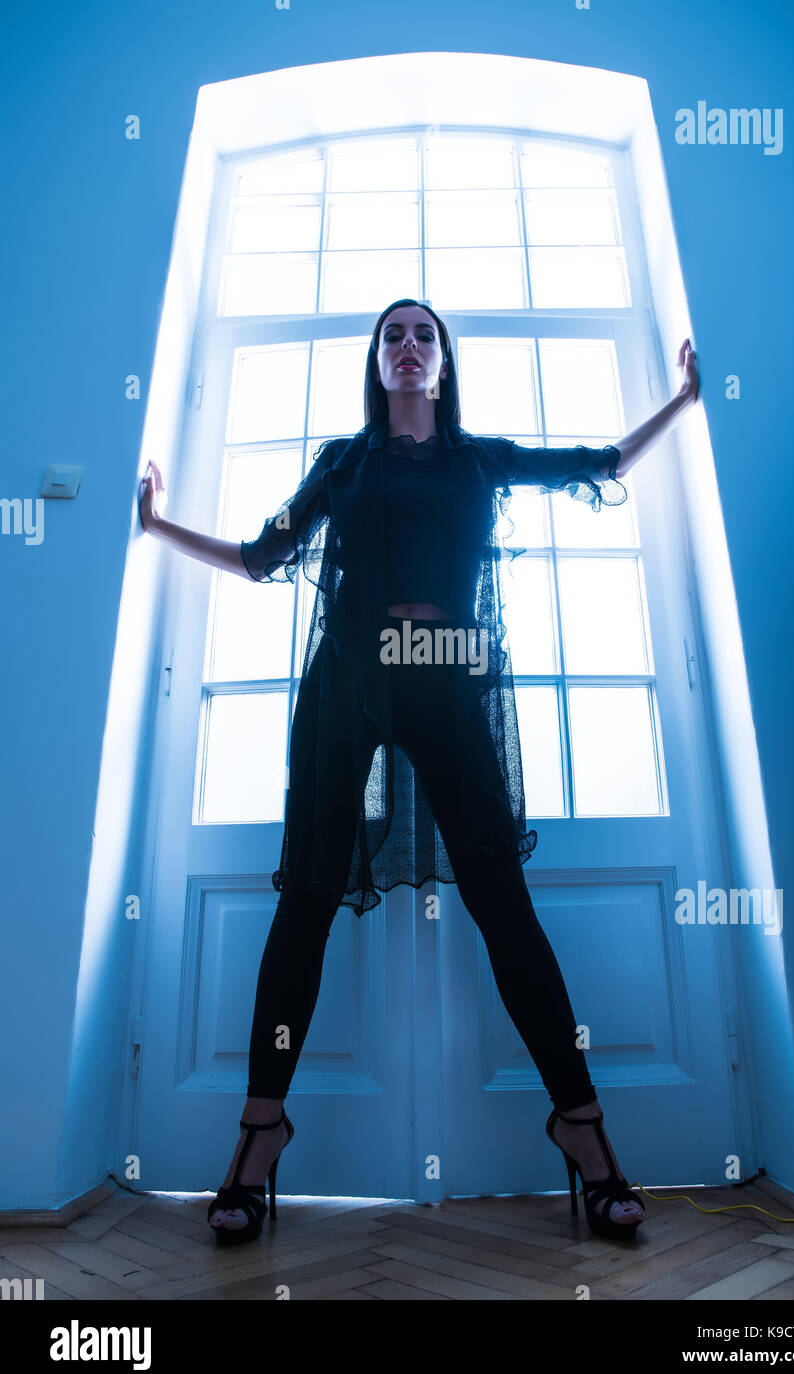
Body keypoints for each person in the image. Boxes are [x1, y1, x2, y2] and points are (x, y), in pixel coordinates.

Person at [139, 299, 700, 1246]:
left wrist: (683, 403)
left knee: (502, 905)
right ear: (376, 361)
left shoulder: (478, 457)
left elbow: (596, 464)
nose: (407, 347)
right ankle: (260, 1131)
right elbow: (261, 555)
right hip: (347, 684)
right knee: (304, 902)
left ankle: (582, 1125)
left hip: (445, 678)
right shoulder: (342, 462)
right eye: (391, 335)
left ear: (441, 364)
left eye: (422, 336)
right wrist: (155, 527)